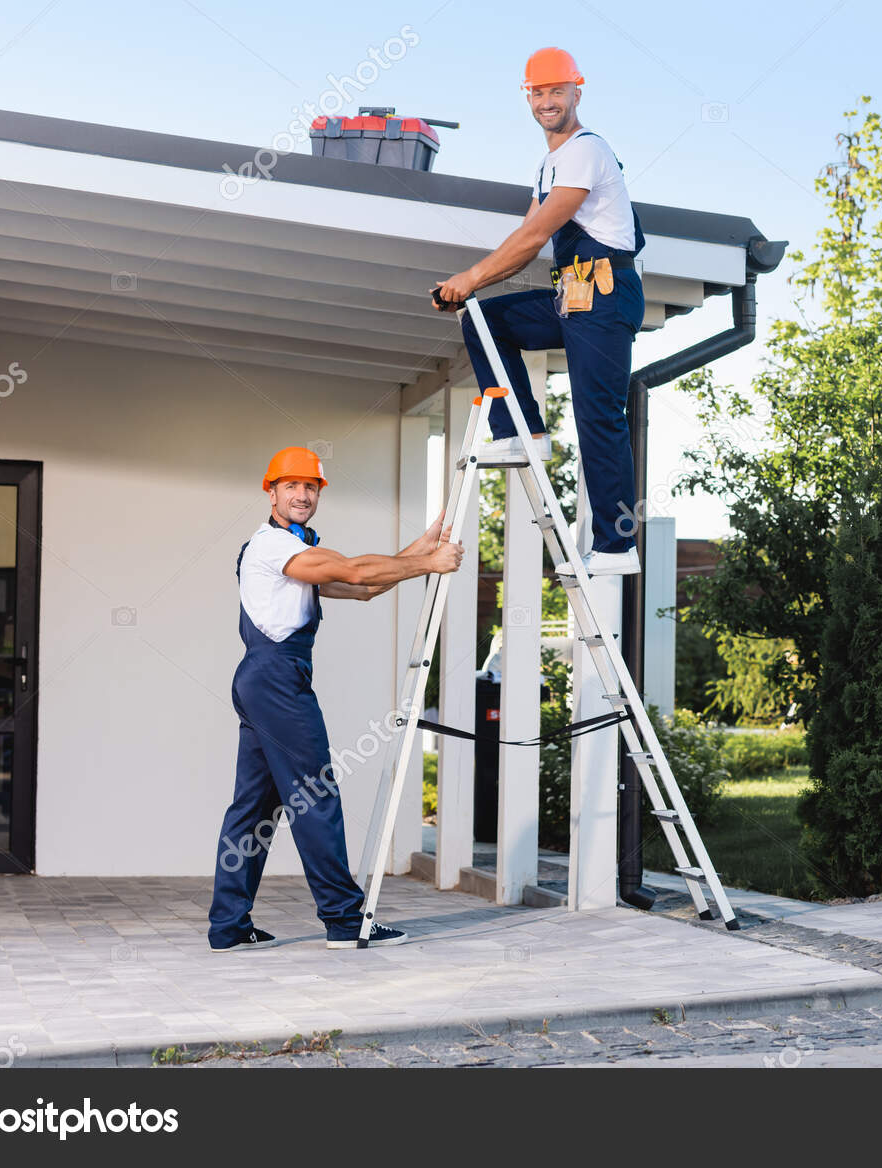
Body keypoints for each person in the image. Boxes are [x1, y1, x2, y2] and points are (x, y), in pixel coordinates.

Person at [208, 446, 464, 952]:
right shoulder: (272, 547)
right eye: (293, 486)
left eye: (312, 487)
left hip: (264, 682)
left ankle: (229, 926)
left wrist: (421, 550)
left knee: (254, 811)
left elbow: (363, 588)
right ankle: (345, 921)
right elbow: (354, 572)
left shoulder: (296, 554)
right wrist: (428, 562)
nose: (303, 494)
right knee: (315, 797)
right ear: (272, 491)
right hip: (277, 682)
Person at [432, 46, 645, 576]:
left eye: (556, 91)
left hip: (606, 295)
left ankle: (617, 546)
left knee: (598, 417)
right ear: (527, 97)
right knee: (485, 320)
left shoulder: (586, 151)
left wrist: (468, 277)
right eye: (538, 92)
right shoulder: (550, 163)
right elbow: (522, 240)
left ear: (577, 91)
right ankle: (523, 431)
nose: (547, 101)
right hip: (572, 297)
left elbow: (534, 235)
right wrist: (470, 290)